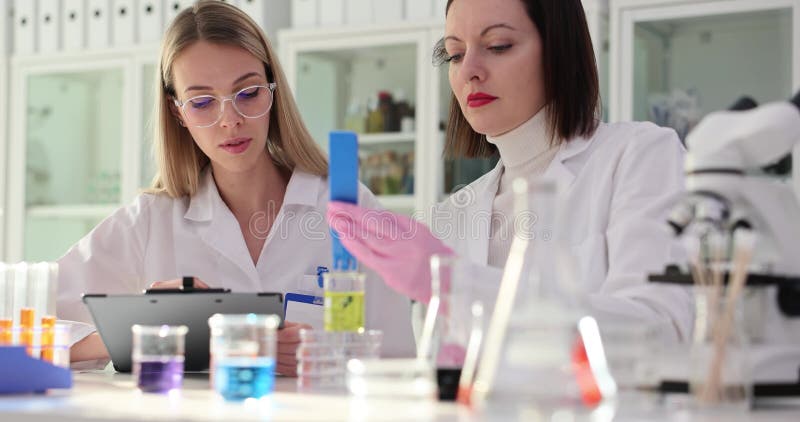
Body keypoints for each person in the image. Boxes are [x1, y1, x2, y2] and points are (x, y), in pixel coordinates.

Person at [58, 0, 415, 374]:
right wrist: (150, 331)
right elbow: (26, 331)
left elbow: (398, 365)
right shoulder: (150, 222)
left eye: (248, 93)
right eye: (202, 102)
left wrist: (323, 358)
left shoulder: (349, 207)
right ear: (178, 111)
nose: (230, 120)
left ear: (273, 91)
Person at [328, 0, 692, 340]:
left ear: (559, 51)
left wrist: (458, 285)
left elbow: (662, 330)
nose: (468, 70)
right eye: (455, 54)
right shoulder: (452, 216)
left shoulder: (639, 156)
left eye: (498, 46)